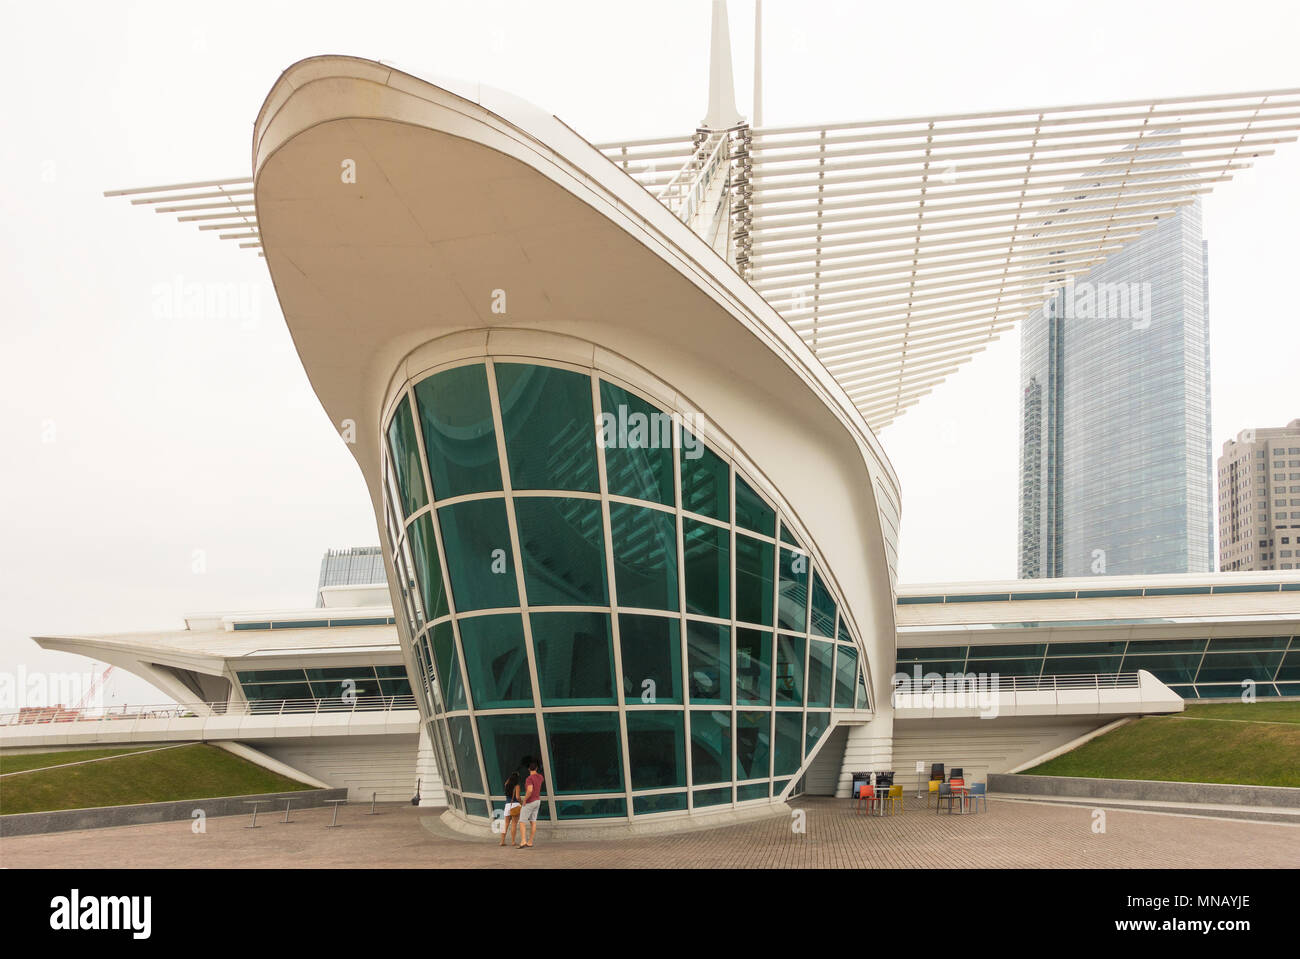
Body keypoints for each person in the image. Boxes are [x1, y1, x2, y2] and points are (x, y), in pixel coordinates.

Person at [518, 761, 544, 848]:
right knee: (533, 822)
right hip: (537, 801)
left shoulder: (529, 779)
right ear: (536, 768)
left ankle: (523, 841)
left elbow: (529, 790)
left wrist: (524, 800)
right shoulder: (540, 777)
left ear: (529, 769)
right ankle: (530, 842)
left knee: (522, 821)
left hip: (530, 802)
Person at [499, 772, 522, 847]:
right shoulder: (517, 786)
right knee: (514, 824)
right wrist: (522, 803)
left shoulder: (506, 784)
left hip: (507, 805)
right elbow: (518, 797)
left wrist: (510, 777)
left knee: (506, 824)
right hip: (515, 805)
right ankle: (513, 842)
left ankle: (502, 841)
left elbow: (508, 781)